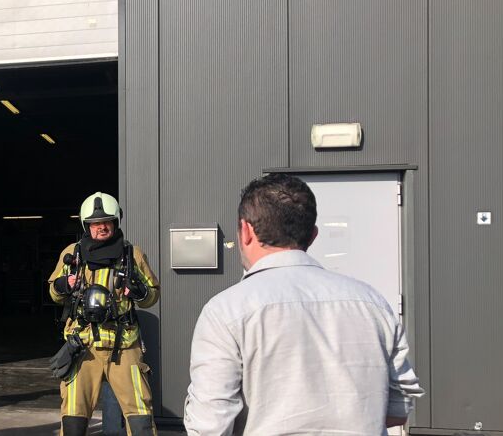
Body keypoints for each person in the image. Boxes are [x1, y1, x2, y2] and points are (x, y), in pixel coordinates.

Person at [184, 173, 424, 435]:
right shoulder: (373, 304)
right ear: (312, 235)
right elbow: (399, 407)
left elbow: (209, 426)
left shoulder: (226, 312)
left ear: (246, 231)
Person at [48, 192, 161, 436]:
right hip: (83, 346)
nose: (101, 227)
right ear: (86, 226)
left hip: (124, 346)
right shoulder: (72, 254)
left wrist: (140, 291)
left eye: (106, 222)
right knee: (73, 418)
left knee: (141, 415)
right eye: (95, 224)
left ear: (115, 223)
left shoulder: (132, 255)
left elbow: (152, 295)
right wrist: (62, 286)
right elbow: (53, 293)